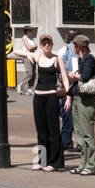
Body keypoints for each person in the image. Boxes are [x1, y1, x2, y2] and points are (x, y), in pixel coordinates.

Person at [15, 33, 69, 171]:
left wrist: (68, 96)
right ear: (40, 45)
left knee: (53, 130)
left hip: (51, 97)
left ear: (52, 45)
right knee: (41, 131)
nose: (46, 45)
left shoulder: (57, 59)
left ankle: (56, 163)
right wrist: (29, 52)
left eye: (49, 43)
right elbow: (15, 51)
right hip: (38, 97)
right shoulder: (37, 56)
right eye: (44, 43)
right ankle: (42, 160)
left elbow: (65, 77)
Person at [67, 35, 95, 176]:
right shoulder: (81, 59)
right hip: (78, 99)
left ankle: (91, 165)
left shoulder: (88, 59)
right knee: (80, 135)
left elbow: (86, 76)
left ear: (79, 46)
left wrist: (74, 75)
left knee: (87, 134)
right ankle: (83, 164)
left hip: (86, 101)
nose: (73, 48)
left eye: (74, 46)